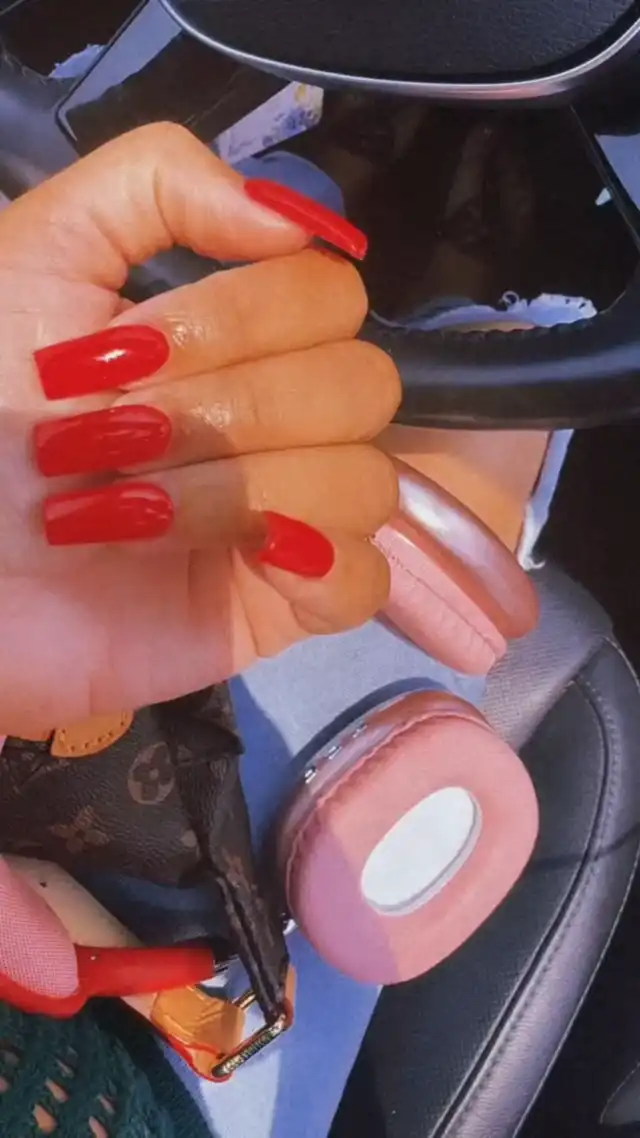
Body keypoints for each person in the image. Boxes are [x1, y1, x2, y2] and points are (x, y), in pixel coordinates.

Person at [0, 118, 591, 1137]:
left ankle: (338, 175)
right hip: (176, 1042)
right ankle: (471, 278)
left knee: (232, 261)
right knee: (470, 456)